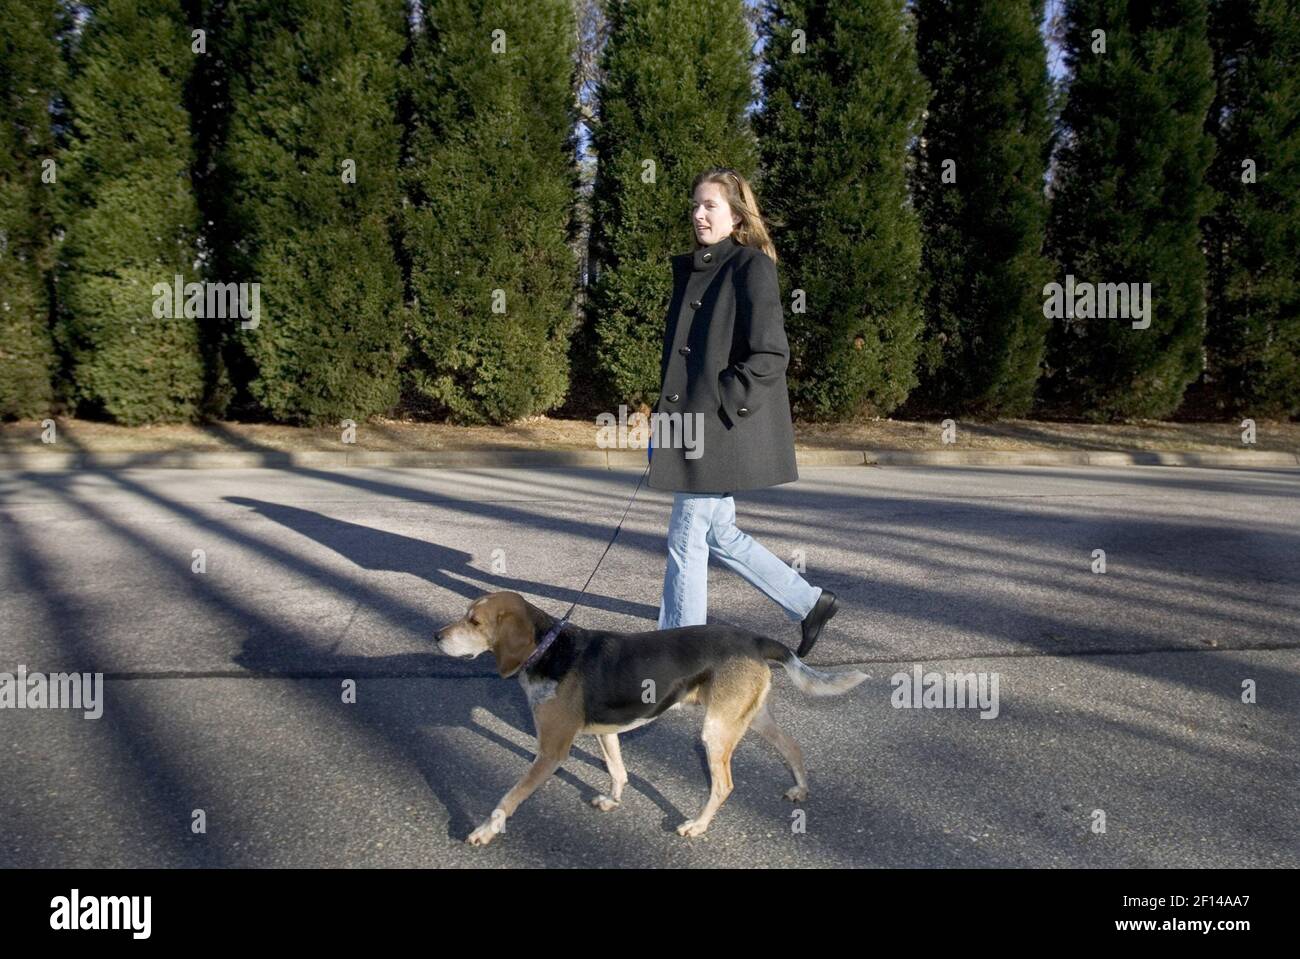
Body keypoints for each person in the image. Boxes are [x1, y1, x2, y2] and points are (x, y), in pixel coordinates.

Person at [647, 166, 837, 657]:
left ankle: (679, 652)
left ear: (735, 215)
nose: (698, 214)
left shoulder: (750, 266)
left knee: (686, 537)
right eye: (695, 205)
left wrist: (720, 402)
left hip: (718, 427)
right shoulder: (696, 269)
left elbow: (771, 354)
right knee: (718, 532)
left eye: (710, 205)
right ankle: (809, 602)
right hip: (690, 424)